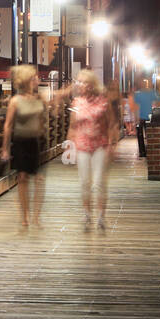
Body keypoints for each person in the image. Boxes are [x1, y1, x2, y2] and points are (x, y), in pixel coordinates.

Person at [64, 70, 113, 228]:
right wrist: (69, 147)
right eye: (78, 82)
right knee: (84, 182)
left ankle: (101, 215)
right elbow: (72, 126)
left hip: (100, 144)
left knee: (99, 182)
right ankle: (86, 214)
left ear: (91, 85)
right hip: (82, 145)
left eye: (83, 82)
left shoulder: (103, 102)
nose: (79, 85)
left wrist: (112, 144)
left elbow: (111, 123)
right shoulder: (76, 103)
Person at [0, 65, 47, 228]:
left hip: (36, 141)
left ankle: (37, 216)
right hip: (20, 141)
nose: (37, 80)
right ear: (26, 81)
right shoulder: (15, 101)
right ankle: (25, 215)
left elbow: (43, 119)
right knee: (22, 177)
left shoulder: (39, 98)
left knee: (39, 179)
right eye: (34, 78)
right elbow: (8, 125)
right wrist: (5, 148)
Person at [132, 84, 158, 157]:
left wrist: (136, 119)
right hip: (147, 116)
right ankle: (146, 149)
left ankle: (143, 151)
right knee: (146, 132)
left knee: (141, 132)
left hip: (143, 116)